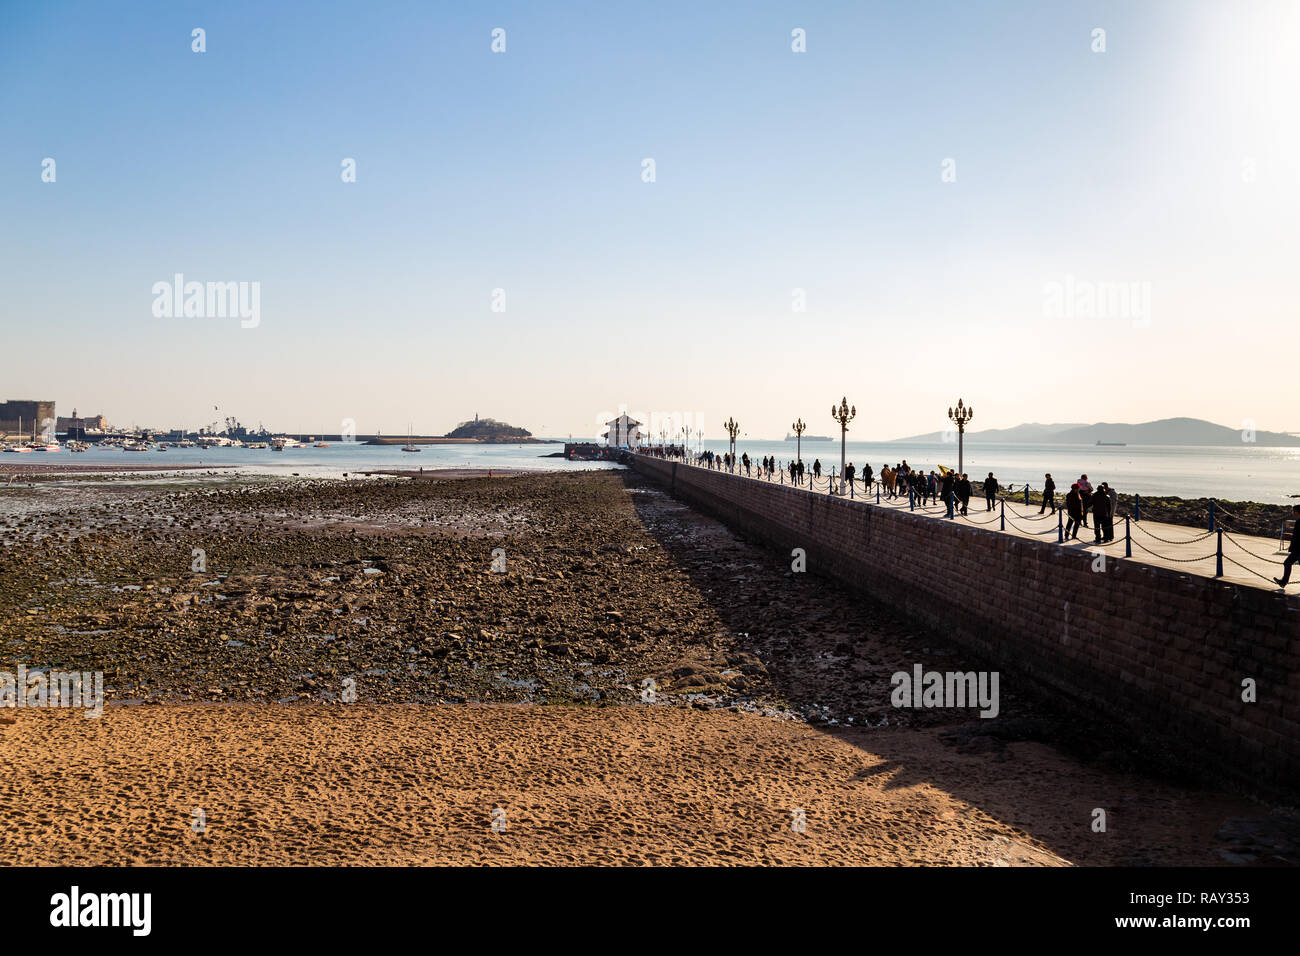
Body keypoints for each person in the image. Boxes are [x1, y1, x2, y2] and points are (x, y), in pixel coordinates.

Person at [1274, 505, 1300, 588]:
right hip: (1296, 549)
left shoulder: (1299, 522)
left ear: (1297, 512)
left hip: (1298, 549)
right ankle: (1283, 582)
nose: (1293, 513)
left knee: (1287, 563)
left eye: (1294, 511)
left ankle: (1283, 582)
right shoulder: (1298, 521)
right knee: (1287, 563)